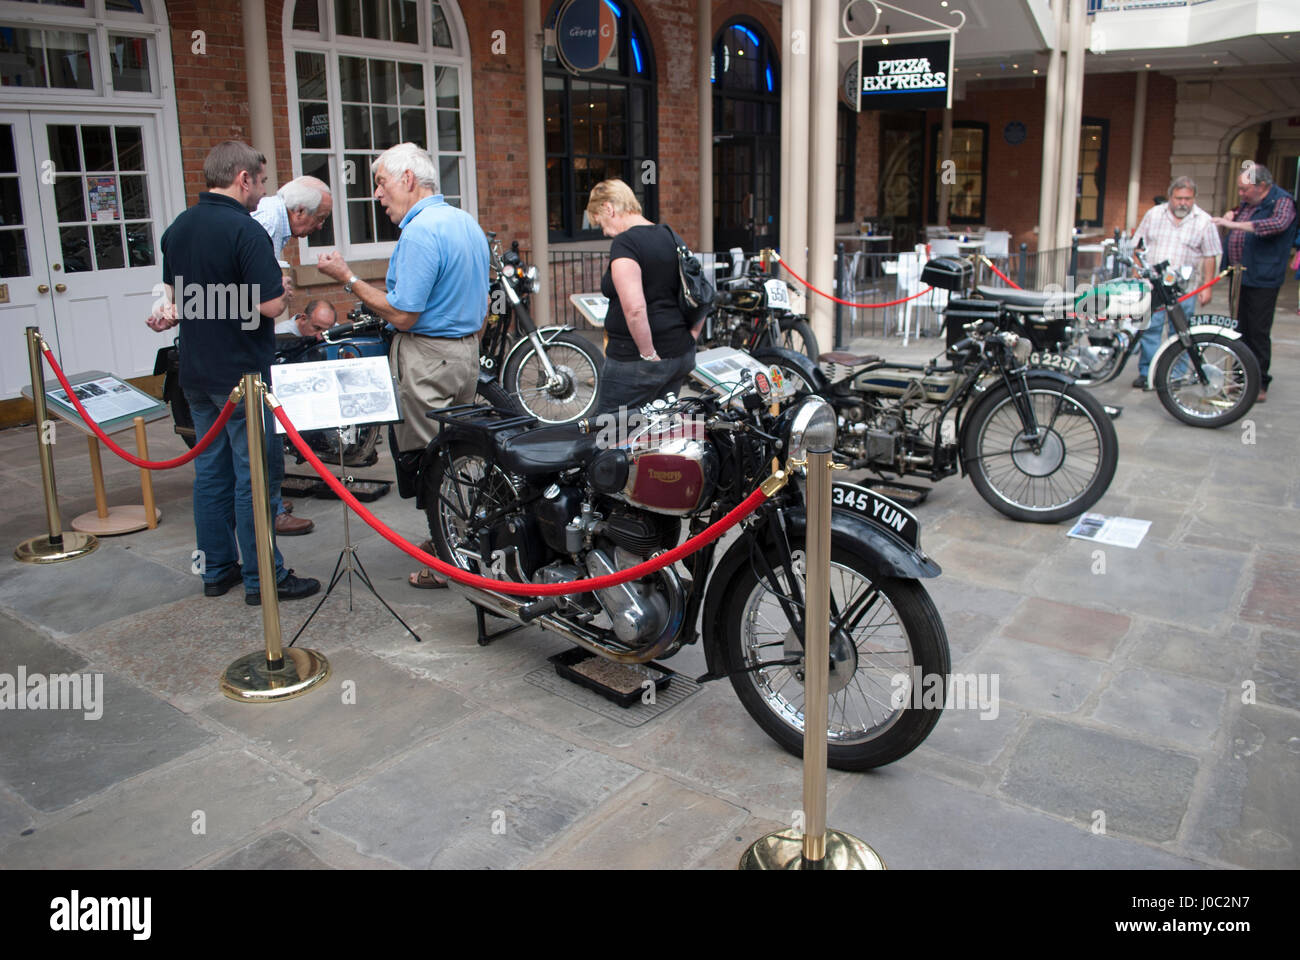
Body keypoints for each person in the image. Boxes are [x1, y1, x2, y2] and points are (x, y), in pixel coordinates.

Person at [146, 141, 320, 605]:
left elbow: (181, 298)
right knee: (254, 477)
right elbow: (267, 306)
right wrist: (281, 293)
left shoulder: (178, 228)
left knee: (211, 473)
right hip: (240, 376)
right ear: (243, 178)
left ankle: (217, 568)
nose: (264, 191)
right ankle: (264, 578)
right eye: (261, 181)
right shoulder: (246, 231)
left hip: (196, 372)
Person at [315, 142, 487, 589]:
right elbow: (484, 302)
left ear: (408, 179)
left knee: (429, 461)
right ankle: (462, 540)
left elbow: (403, 313)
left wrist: (347, 279)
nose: (377, 193)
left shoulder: (420, 232)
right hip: (466, 354)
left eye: (381, 182)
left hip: (429, 357)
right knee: (457, 456)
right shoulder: (465, 222)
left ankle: (443, 555)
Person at [251, 175, 333, 536]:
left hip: (238, 342)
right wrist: (275, 294)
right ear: (299, 210)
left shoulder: (273, 222)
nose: (320, 226)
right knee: (264, 434)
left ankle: (265, 503)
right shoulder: (267, 222)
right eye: (319, 218)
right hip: (243, 352)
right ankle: (268, 511)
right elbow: (262, 301)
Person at [586, 179, 698, 415]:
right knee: (654, 433)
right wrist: (691, 337)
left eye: (601, 223)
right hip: (678, 354)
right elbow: (702, 293)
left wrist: (648, 354)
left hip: (636, 362)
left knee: (610, 436)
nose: (604, 231)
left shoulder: (626, 243)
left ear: (609, 208)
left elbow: (635, 309)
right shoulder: (671, 236)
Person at [1213, 162, 1297, 403]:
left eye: (1244, 189)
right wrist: (1232, 212)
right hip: (1240, 275)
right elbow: (1243, 210)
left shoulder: (1282, 201)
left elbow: (1276, 225)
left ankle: (1258, 383)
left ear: (1262, 186)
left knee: (1257, 331)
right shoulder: (1251, 203)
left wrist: (1233, 224)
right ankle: (1239, 379)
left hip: (1263, 277)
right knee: (1239, 330)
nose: (1240, 194)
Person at [1130, 176, 1222, 389]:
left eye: (1188, 199)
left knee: (1180, 333)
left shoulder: (1204, 221)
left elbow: (1210, 256)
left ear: (1194, 198)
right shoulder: (1154, 214)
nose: (1183, 203)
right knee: (1149, 330)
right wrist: (1138, 272)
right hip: (1153, 286)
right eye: (1179, 198)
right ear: (1170, 197)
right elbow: (1139, 245)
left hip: (1184, 289)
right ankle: (1148, 373)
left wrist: (1207, 287)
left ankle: (1176, 375)